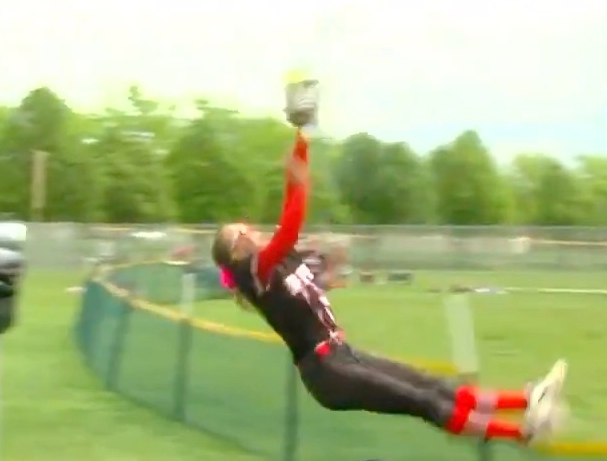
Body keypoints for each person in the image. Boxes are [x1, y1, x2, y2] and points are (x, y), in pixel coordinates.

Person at [211, 129, 567, 445]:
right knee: (425, 403)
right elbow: (291, 223)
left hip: (341, 354)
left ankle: (527, 398)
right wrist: (300, 175)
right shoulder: (251, 272)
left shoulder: (275, 258)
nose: (249, 229)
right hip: (328, 373)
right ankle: (524, 433)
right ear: (237, 250)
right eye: (240, 232)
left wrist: (301, 143)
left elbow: (290, 208)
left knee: (435, 387)